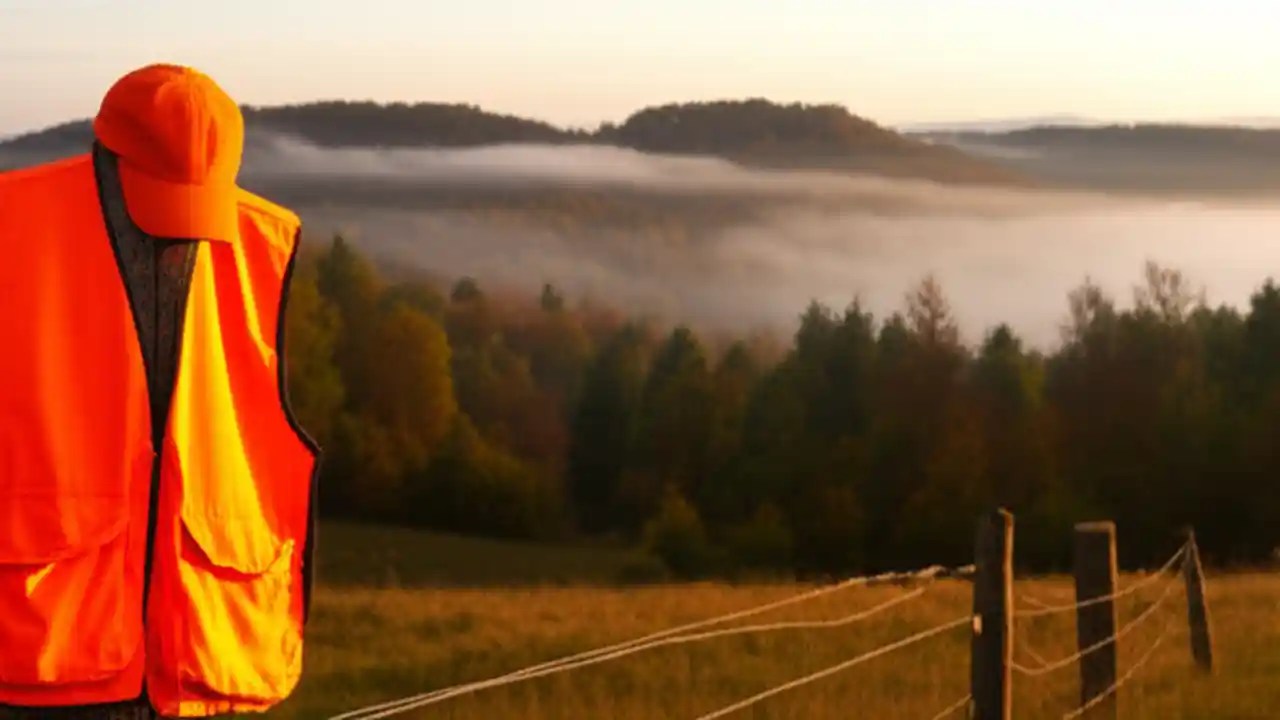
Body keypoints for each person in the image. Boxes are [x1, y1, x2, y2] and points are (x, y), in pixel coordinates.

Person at [0, 65, 319, 719]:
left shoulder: (265, 244)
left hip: (209, 661)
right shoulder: (13, 222)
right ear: (107, 156)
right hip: (34, 659)